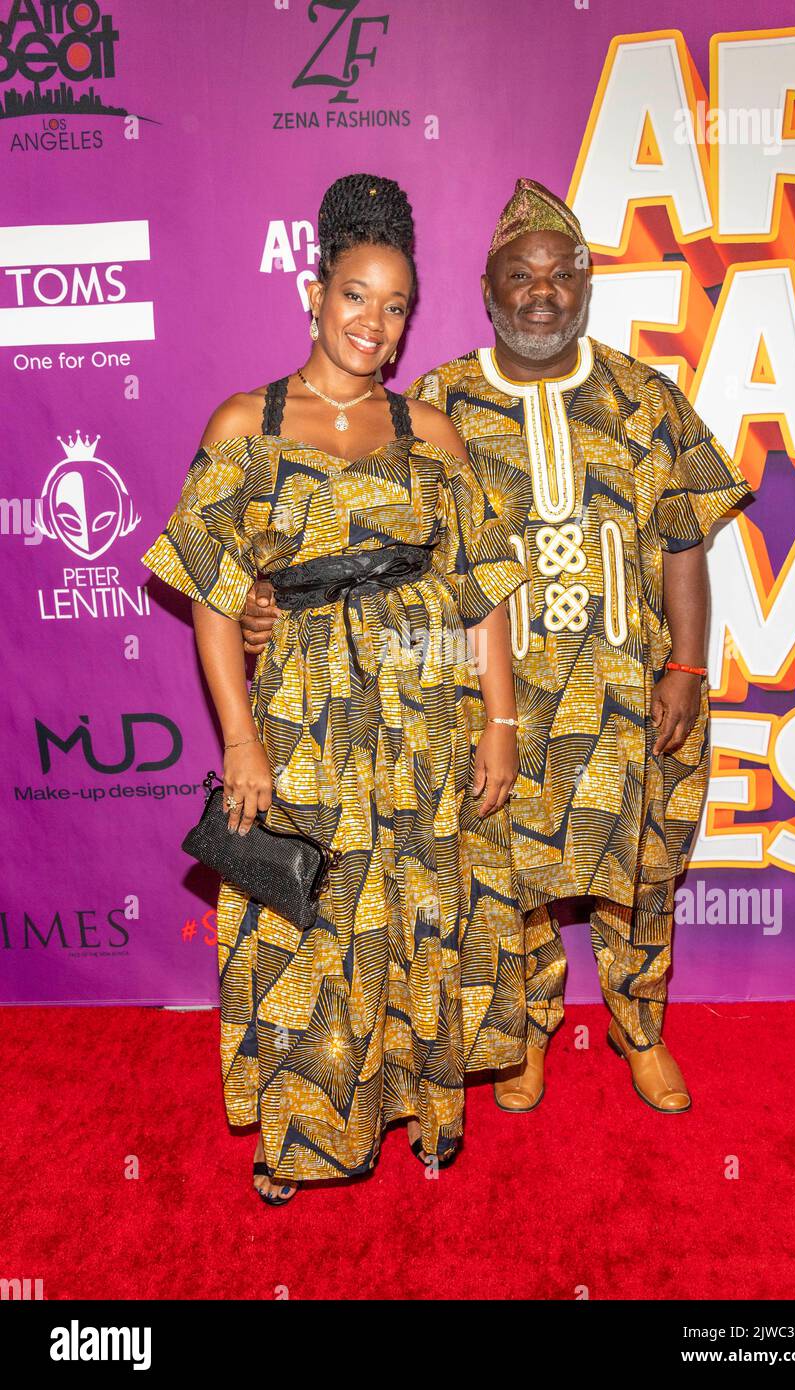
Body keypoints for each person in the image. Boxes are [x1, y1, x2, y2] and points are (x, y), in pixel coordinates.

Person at [241, 176, 753, 1118]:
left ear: (588, 285)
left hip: (624, 688)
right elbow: (354, 527)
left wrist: (685, 664)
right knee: (502, 874)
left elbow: (685, 537)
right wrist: (270, 597)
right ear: (488, 291)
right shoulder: (440, 400)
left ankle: (642, 1030)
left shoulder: (646, 400)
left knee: (633, 866)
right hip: (489, 697)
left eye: (562, 274)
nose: (542, 291)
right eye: (521, 275)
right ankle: (524, 1035)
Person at [139, 174, 530, 1205]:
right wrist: (239, 741)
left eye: (395, 304)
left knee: (416, 915)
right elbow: (217, 601)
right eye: (355, 295)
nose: (374, 322)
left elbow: (480, 591)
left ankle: (426, 1111)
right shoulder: (246, 425)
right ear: (312, 294)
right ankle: (303, 1135)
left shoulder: (430, 436)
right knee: (307, 925)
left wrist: (496, 721)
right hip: (302, 721)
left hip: (418, 716)